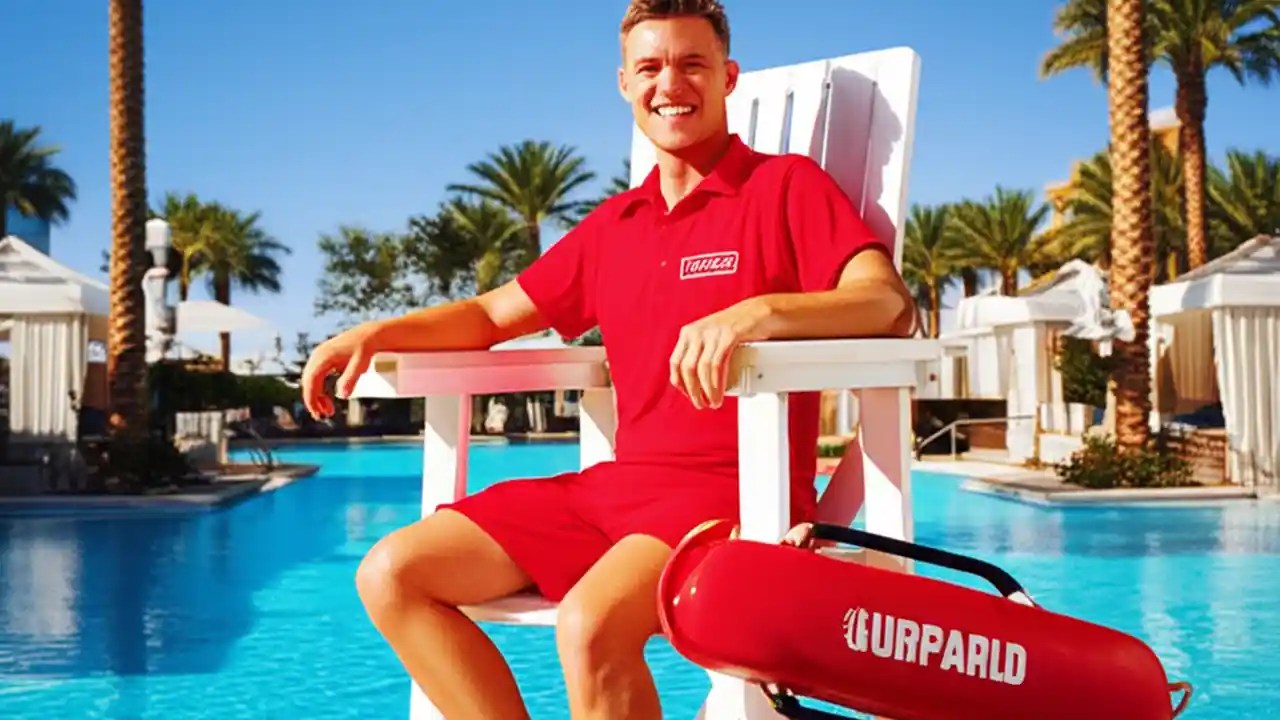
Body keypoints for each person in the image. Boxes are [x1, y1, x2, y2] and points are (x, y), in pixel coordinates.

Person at [299, 1, 917, 718]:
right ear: (624, 83)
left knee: (589, 624)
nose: (670, 84)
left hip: (737, 496)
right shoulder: (615, 226)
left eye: (693, 64)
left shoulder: (782, 188)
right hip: (617, 491)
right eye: (651, 67)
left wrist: (764, 312)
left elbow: (887, 304)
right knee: (392, 574)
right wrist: (379, 333)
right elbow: (492, 315)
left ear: (728, 77)